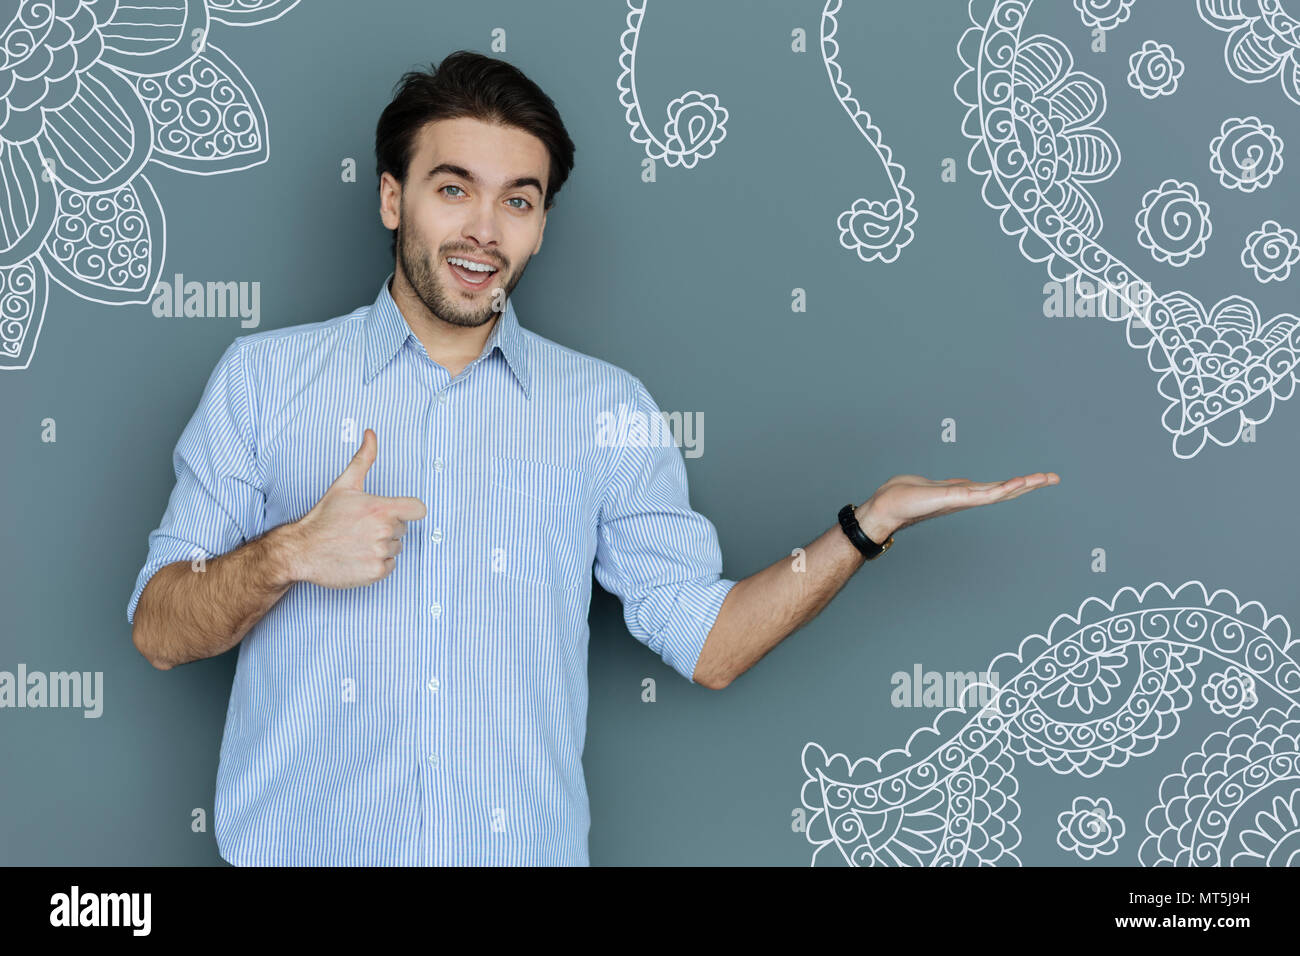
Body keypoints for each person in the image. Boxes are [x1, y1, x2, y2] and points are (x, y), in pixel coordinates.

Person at [126, 50, 1059, 866]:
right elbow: (159, 631)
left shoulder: (607, 410)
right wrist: (287, 553)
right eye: (453, 188)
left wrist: (867, 526)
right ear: (390, 195)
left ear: (540, 221)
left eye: (517, 201)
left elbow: (711, 644)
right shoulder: (262, 379)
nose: (484, 231)